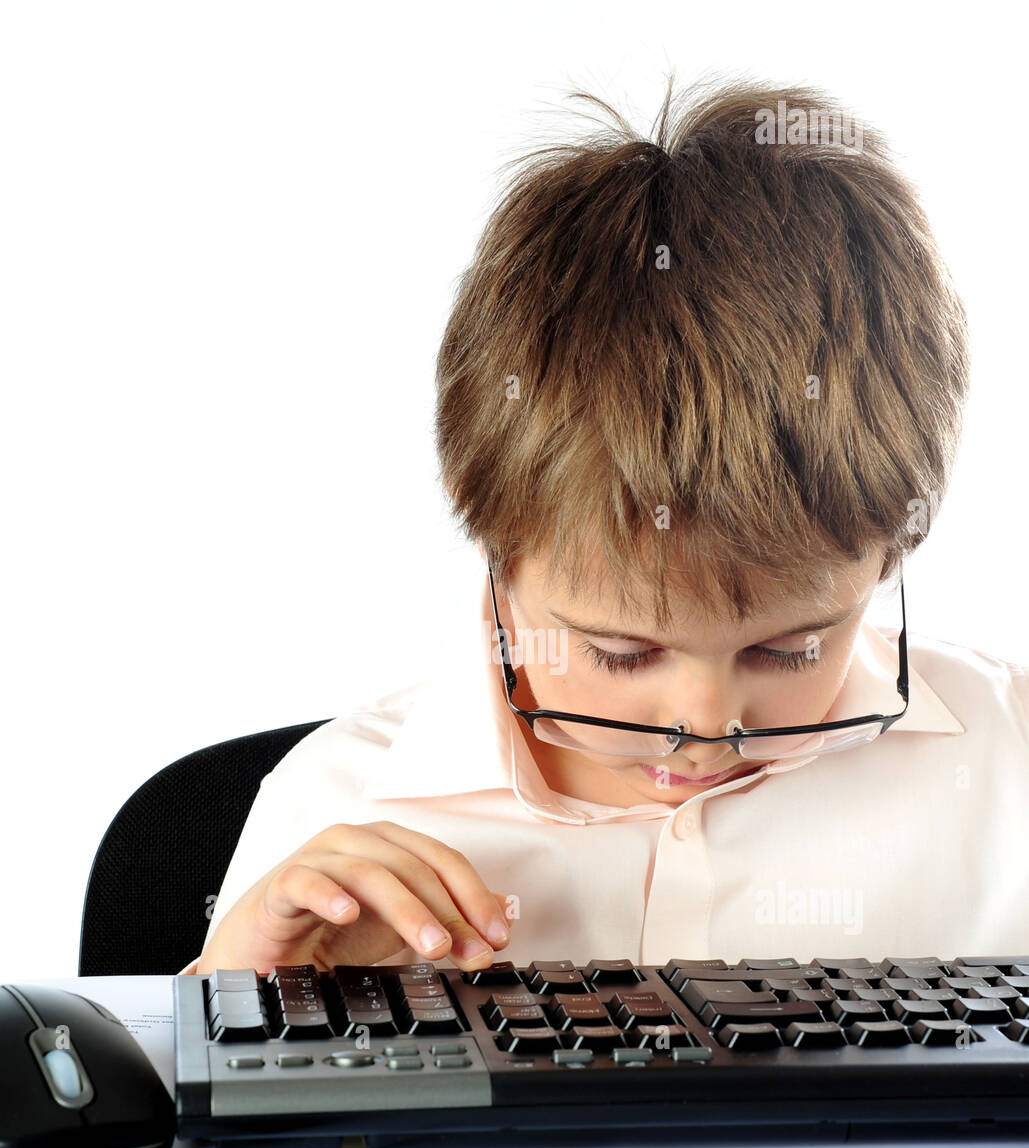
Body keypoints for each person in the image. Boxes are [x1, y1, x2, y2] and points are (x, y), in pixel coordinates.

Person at [179, 76, 1028, 978]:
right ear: (496, 551)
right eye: (622, 654)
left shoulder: (1006, 763)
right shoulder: (331, 804)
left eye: (789, 650)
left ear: (890, 555)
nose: (706, 728)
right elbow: (195, 1115)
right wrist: (243, 1016)